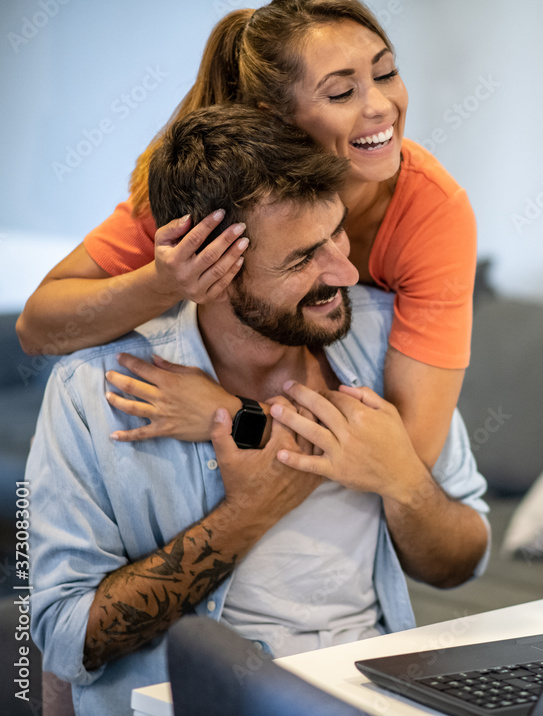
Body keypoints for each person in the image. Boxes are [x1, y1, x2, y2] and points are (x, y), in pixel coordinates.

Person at [28, 103, 489, 716]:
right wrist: (248, 512)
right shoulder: (94, 393)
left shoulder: (385, 345)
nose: (346, 271)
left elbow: (464, 562)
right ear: (211, 270)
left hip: (373, 697)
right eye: (302, 259)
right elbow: (62, 639)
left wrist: (405, 483)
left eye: (338, 233)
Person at [15, 0, 475, 468]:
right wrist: (164, 283)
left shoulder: (432, 210)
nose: (381, 107)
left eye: (386, 73)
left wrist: (234, 417)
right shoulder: (211, 190)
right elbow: (37, 329)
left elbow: (411, 457)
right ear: (273, 117)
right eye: (341, 93)